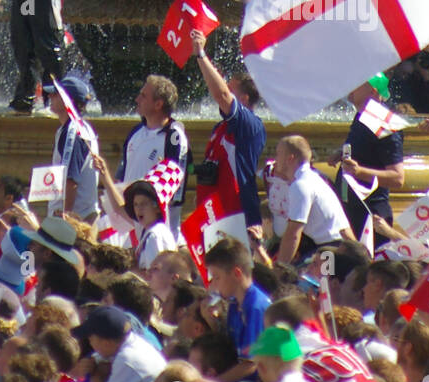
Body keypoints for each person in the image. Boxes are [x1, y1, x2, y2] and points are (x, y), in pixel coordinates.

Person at [190, 28, 266, 228]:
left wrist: (201, 54)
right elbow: (211, 168)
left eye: (231, 90)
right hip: (214, 216)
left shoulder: (249, 124)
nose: (226, 91)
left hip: (237, 215)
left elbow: (221, 95)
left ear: (244, 99)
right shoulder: (220, 128)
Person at [115, 74, 189, 239]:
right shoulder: (135, 132)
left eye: (143, 96)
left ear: (158, 104)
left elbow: (174, 185)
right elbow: (124, 172)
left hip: (158, 230)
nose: (137, 99)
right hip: (130, 225)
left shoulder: (173, 137)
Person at [332, 75, 404, 241]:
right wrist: (340, 153)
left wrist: (359, 171)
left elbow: (398, 178)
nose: (350, 86)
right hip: (352, 209)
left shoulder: (383, 123)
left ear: (373, 91)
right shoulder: (362, 117)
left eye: (357, 83)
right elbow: (366, 151)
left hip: (371, 215)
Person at [269, 134, 353, 263]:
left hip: (329, 253)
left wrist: (280, 270)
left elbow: (293, 234)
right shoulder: (313, 179)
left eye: (278, 154)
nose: (275, 159)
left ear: (289, 158)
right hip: (331, 248)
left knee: (303, 281)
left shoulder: (301, 185)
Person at [203, 236, 271, 378]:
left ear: (236, 274)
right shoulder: (235, 304)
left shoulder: (255, 307)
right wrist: (211, 320)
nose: (213, 285)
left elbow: (250, 365)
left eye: (217, 277)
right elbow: (230, 349)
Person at [43, 75, 99, 221]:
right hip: (80, 217)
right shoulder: (74, 128)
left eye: (55, 94)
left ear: (68, 101)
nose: (50, 96)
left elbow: (71, 181)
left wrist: (64, 219)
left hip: (75, 221)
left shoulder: (73, 132)